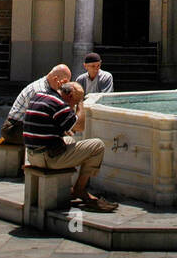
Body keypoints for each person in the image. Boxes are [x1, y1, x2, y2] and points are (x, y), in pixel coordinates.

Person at [23, 81, 117, 212]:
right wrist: (80, 104)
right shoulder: (59, 104)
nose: (71, 107)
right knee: (97, 146)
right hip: (47, 158)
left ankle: (72, 186)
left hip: (32, 155)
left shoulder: (40, 96)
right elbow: (80, 126)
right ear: (71, 95)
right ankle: (80, 189)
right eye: (74, 101)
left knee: (70, 139)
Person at [0, 63, 71, 143]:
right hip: (13, 128)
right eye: (64, 83)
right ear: (56, 79)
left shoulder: (48, 86)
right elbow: (41, 119)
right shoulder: (41, 90)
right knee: (54, 137)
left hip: (25, 125)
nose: (64, 87)